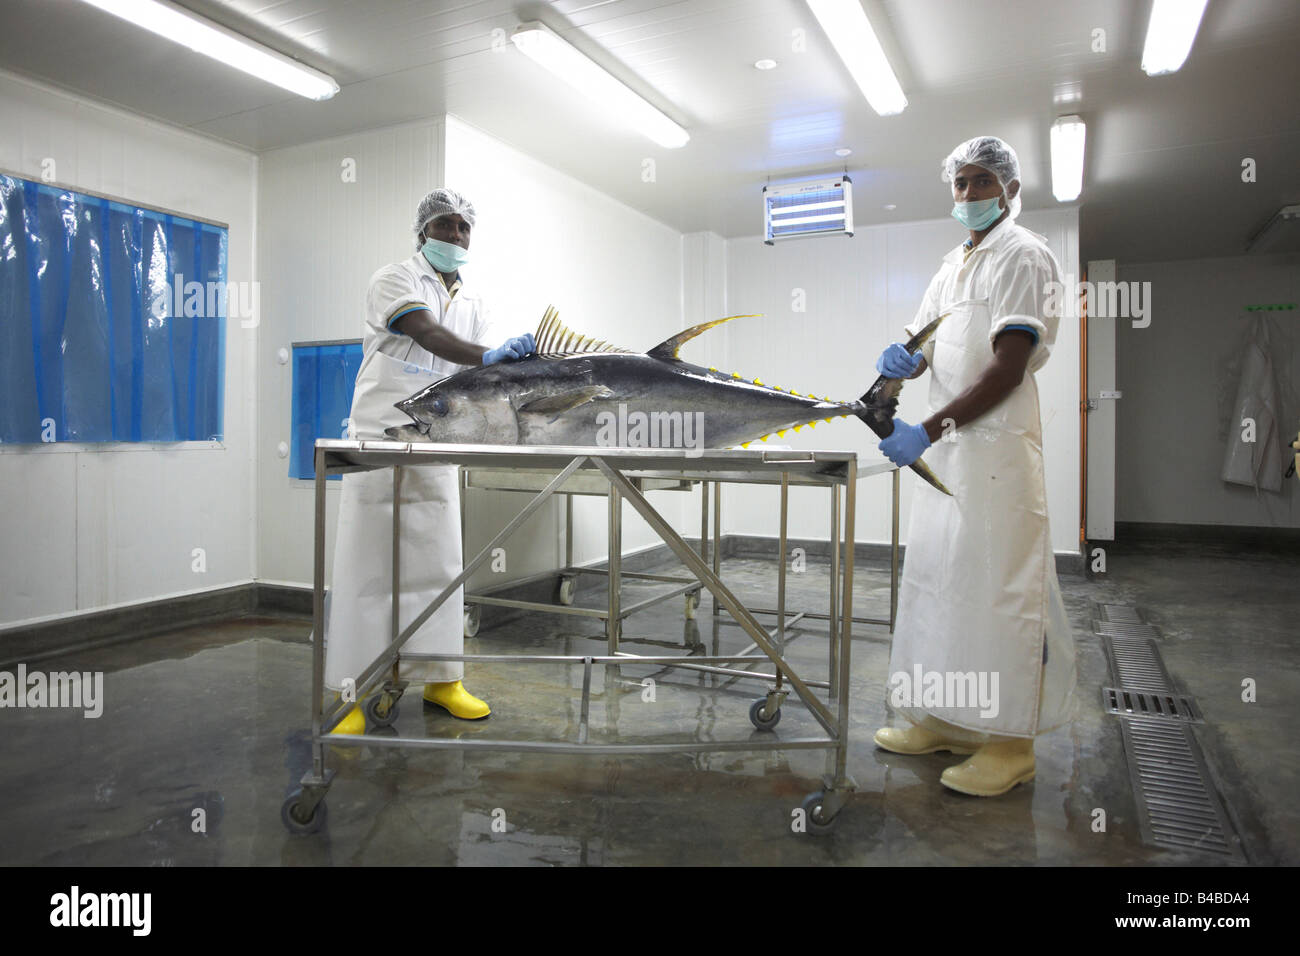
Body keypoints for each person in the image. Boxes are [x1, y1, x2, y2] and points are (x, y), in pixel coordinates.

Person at [874, 136, 1077, 796]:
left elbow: (1008, 368)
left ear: (1010, 189)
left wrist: (926, 431)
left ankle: (1010, 744)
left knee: (999, 594)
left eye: (981, 180)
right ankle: (944, 719)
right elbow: (928, 342)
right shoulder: (951, 266)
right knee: (939, 584)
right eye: (959, 182)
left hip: (995, 457)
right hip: (951, 460)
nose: (967, 194)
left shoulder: (1023, 255)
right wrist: (903, 363)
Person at [324, 187, 536, 734]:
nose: (456, 236)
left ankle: (444, 680)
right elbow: (427, 334)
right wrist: (486, 357)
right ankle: (351, 693)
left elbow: (472, 376)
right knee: (367, 564)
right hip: (382, 431)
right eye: (446, 225)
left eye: (465, 228)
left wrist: (509, 371)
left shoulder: (475, 301)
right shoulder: (392, 279)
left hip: (440, 434)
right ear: (424, 231)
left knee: (438, 558)